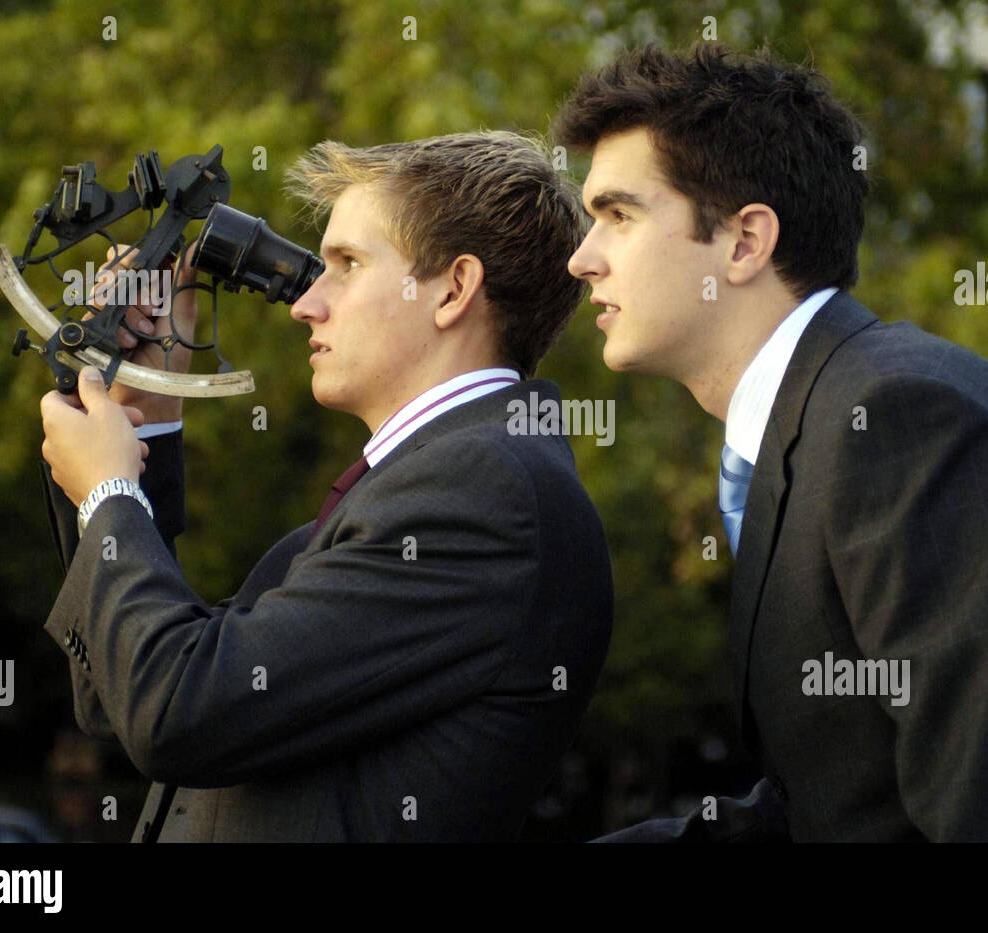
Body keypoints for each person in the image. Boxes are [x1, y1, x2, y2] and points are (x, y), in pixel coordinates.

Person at [554, 43, 988, 841]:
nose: (581, 259)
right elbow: (843, 801)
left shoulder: (901, 425)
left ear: (743, 242)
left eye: (617, 215)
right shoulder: (824, 420)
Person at [36, 130, 613, 841]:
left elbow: (180, 710)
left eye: (346, 264)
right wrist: (144, 417)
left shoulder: (484, 493)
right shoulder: (409, 502)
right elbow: (121, 696)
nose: (307, 303)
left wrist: (109, 495)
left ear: (454, 289)